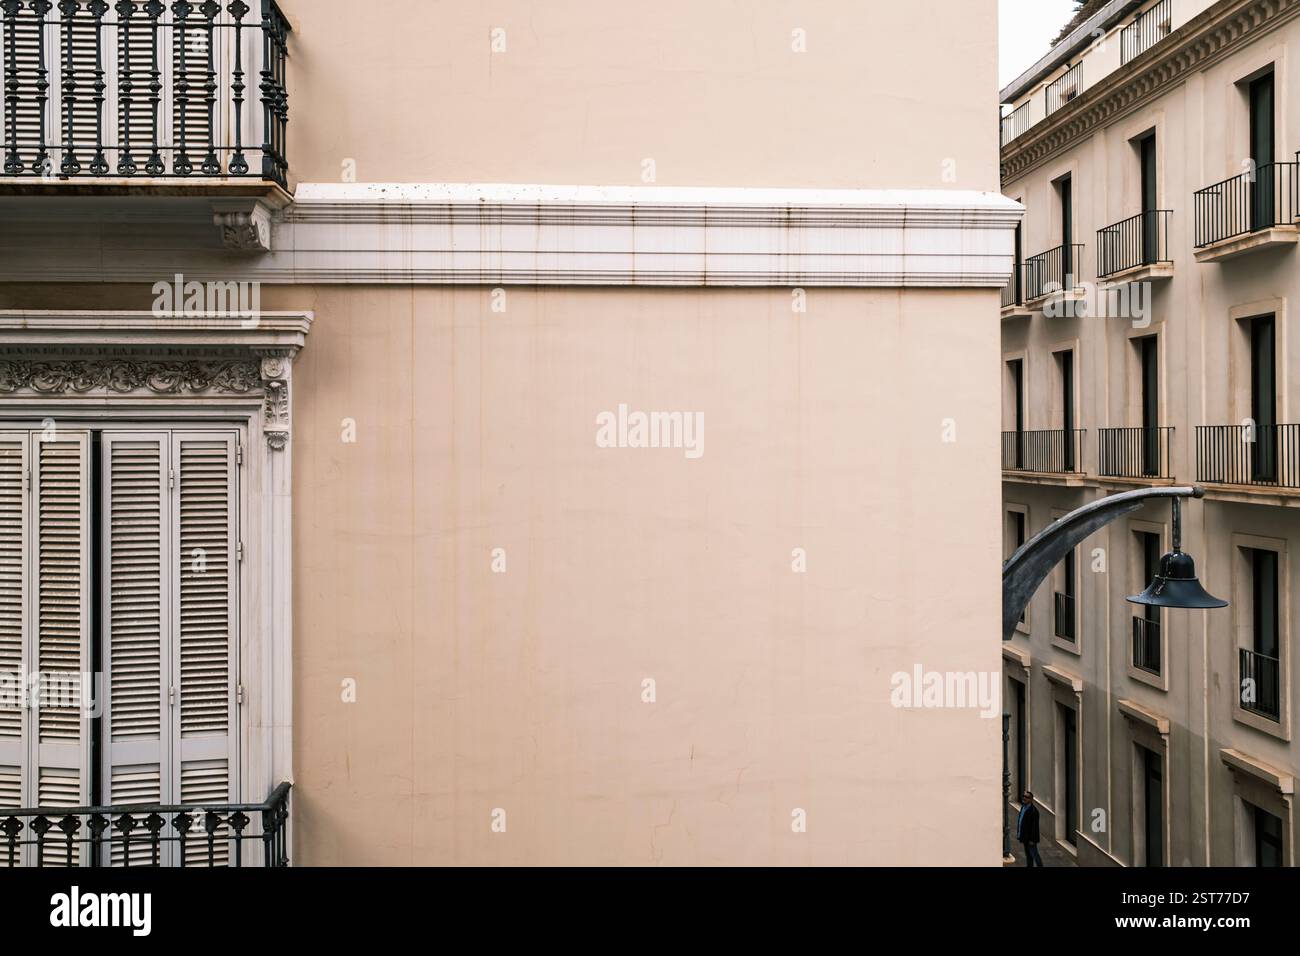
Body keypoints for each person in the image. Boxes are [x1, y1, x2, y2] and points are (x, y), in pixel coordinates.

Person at [1017, 790, 1043, 866]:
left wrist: (1032, 840)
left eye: (1027, 797)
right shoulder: (1023, 807)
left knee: (1035, 855)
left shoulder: (1033, 811)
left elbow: (1035, 827)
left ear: (1031, 799)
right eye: (1023, 796)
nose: (1024, 798)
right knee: (1028, 855)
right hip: (1025, 837)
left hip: (1031, 839)